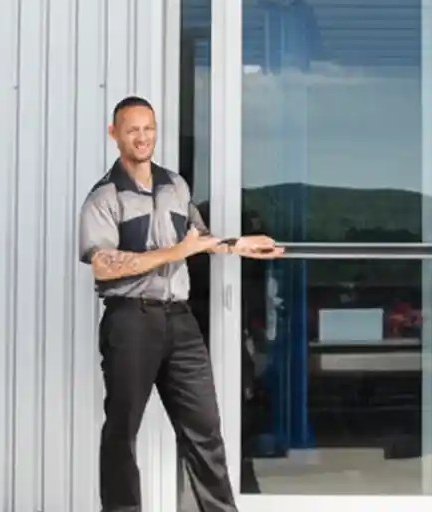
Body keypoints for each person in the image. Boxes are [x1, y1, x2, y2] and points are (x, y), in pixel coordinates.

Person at [77, 95, 283, 512]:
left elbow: (197, 239)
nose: (142, 137)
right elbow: (102, 265)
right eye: (132, 129)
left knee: (204, 429)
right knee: (122, 432)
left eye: (148, 128)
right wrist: (172, 254)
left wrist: (241, 245)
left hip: (180, 322)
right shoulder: (103, 198)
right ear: (114, 134)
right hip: (130, 322)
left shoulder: (175, 185)